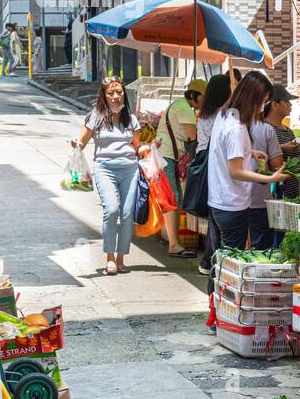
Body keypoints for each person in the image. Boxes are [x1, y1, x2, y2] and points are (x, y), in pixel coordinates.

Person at [206, 71, 287, 277]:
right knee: (230, 269)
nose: (262, 108)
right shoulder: (237, 127)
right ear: (252, 99)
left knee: (222, 262)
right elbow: (236, 171)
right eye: (262, 102)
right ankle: (217, 304)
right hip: (232, 205)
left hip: (218, 201)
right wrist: (269, 178)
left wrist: (250, 152)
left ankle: (214, 304)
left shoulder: (224, 116)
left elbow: (225, 153)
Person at [73, 76, 144, 276]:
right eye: (111, 93)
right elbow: (82, 141)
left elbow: (137, 147)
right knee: (111, 210)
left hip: (130, 169)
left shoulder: (131, 119)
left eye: (119, 92)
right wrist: (75, 143)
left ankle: (121, 258)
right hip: (104, 168)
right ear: (104, 95)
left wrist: (146, 149)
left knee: (128, 214)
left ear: (124, 94)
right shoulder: (95, 117)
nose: (115, 97)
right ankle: (110, 258)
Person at [154, 78, 206, 259]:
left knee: (175, 197)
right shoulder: (185, 109)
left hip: (166, 155)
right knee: (172, 198)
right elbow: (194, 139)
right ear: (194, 95)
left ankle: (174, 242)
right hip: (167, 157)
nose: (204, 102)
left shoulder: (179, 105)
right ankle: (174, 244)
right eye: (202, 98)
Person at [195, 74, 232, 276]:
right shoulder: (223, 115)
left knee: (214, 214)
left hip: (204, 160)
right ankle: (212, 260)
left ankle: (209, 260)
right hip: (215, 162)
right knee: (218, 213)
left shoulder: (204, 113)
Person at [244, 80, 284, 251]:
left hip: (232, 202)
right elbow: (277, 164)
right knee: (260, 251)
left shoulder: (228, 124)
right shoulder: (266, 129)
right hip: (259, 200)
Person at [263, 84, 300, 201]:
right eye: (287, 101)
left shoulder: (289, 131)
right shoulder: (265, 128)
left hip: (293, 194)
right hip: (275, 194)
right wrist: (282, 148)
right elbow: (260, 155)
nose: (290, 104)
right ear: (275, 104)